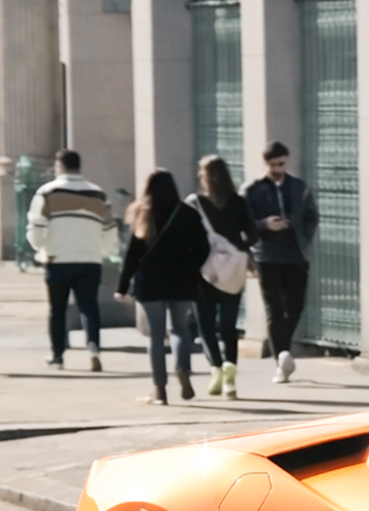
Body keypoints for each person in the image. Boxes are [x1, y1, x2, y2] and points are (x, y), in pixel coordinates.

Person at [115, 170, 209, 405]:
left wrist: (123, 286)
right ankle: (184, 371)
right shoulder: (188, 213)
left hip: (151, 282)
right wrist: (192, 268)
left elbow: (131, 254)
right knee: (179, 329)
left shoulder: (142, 214)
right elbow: (204, 248)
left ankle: (160, 390)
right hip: (182, 280)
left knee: (155, 336)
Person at [27, 149, 119, 370]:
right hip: (90, 259)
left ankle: (57, 355)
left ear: (60, 166)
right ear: (79, 166)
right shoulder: (97, 194)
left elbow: (37, 226)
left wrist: (39, 246)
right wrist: (103, 251)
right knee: (89, 306)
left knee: (57, 309)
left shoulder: (47, 192)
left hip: (58, 259)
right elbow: (109, 228)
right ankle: (94, 347)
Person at [243, 141, 318, 384]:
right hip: (267, 255)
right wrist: (265, 225)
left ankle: (283, 350)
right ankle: (281, 359)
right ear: (266, 164)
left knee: (295, 305)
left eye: (282, 164)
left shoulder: (298, 186)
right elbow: (242, 222)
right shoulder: (252, 189)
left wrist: (304, 237)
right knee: (274, 308)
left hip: (296, 254)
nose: (278, 168)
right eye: (273, 165)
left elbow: (311, 216)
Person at [187, 155, 258, 399]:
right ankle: (230, 376)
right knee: (228, 325)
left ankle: (215, 368)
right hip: (233, 271)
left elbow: (186, 237)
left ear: (205, 177)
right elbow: (253, 235)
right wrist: (236, 247)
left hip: (203, 272)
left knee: (205, 324)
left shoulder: (195, 203)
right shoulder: (238, 202)